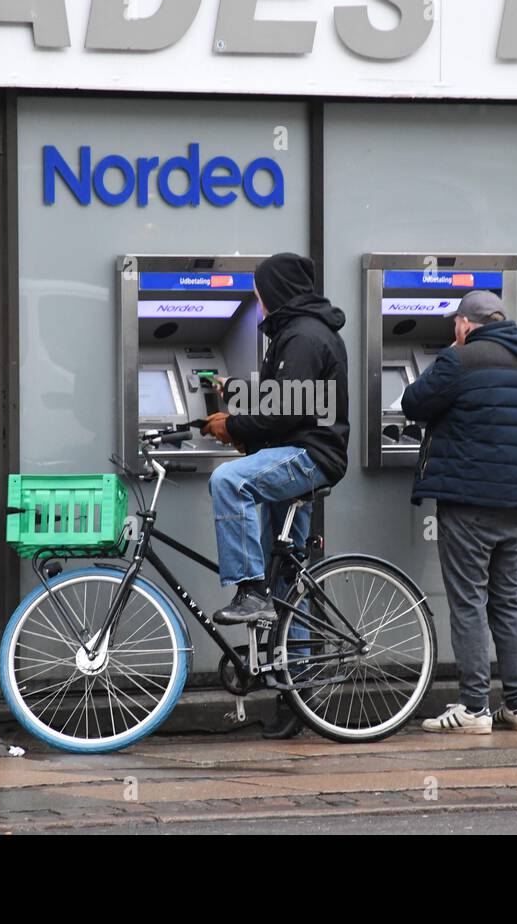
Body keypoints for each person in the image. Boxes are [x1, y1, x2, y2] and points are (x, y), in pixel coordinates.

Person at [202, 252, 349, 738]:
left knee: (230, 481)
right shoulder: (299, 331)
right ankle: (296, 699)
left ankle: (249, 591)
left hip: (308, 455)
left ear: (276, 291)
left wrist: (234, 426)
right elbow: (289, 397)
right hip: (298, 450)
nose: (258, 301)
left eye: (260, 292)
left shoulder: (303, 335)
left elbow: (287, 411)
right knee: (290, 581)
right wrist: (236, 393)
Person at [402, 289, 517, 735]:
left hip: (467, 503)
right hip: (515, 504)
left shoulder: (459, 359)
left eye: (456, 325)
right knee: (508, 600)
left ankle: (474, 708)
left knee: (469, 602)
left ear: (465, 324)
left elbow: (412, 403)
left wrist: (450, 356)